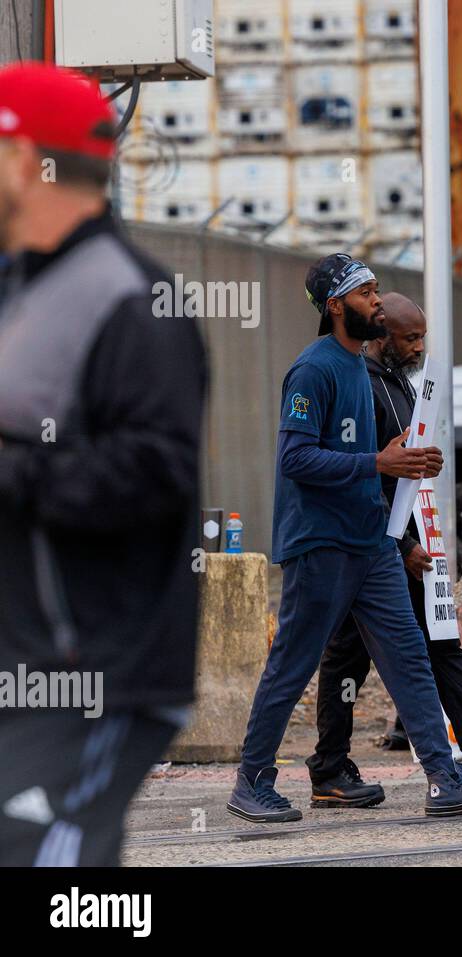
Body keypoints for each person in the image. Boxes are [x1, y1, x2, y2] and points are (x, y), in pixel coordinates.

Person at [0, 64, 207, 865]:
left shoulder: (131, 300)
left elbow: (158, 470)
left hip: (92, 671)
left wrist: (15, 473)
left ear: (27, 163)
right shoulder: (21, 291)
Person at [227, 255, 462, 823]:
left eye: (377, 291)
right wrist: (377, 461)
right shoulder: (314, 369)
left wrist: (400, 457)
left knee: (409, 661)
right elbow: (295, 456)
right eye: (365, 293)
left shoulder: (359, 365)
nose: (377, 301)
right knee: (293, 663)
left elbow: (366, 454)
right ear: (335, 306)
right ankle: (251, 780)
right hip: (321, 545)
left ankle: (446, 781)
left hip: (372, 542)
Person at [307, 292, 462, 807]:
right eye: (410, 338)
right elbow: (361, 473)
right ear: (381, 338)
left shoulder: (397, 381)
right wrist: (401, 548)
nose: (420, 347)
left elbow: (397, 464)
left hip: (398, 536)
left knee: (438, 640)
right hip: (372, 546)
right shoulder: (361, 386)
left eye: (422, 336)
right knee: (349, 657)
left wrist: (424, 465)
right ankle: (332, 769)